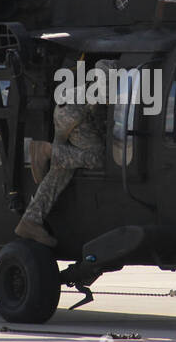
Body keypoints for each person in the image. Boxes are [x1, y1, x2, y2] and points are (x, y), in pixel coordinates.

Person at [15, 59, 110, 247]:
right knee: (98, 157)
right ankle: (46, 150)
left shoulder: (112, 69)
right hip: (76, 112)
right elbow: (101, 105)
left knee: (62, 166)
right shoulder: (116, 73)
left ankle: (31, 220)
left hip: (66, 108)